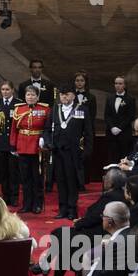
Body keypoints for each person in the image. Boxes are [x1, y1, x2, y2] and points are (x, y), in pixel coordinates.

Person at [43, 86, 92, 219]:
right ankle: (62, 208)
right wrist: (48, 143)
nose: (64, 97)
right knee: (60, 181)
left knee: (72, 181)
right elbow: (47, 130)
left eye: (67, 94)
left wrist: (87, 151)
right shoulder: (54, 110)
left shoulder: (82, 110)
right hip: (58, 152)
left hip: (73, 153)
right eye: (62, 95)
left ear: (73, 96)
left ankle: (72, 209)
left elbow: (88, 132)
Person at [8, 85, 50, 213]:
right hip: (22, 146)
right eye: (28, 95)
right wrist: (13, 145)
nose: (30, 97)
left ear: (37, 97)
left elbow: (47, 128)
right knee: (25, 178)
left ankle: (37, 204)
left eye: (33, 95)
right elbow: (14, 129)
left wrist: (44, 140)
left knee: (37, 177)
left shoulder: (45, 109)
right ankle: (26, 204)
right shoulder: (19, 109)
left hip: (37, 146)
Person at [0, 81, 18, 201]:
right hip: (0, 141)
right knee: (3, 171)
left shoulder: (18, 104)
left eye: (7, 89)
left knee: (13, 171)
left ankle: (14, 196)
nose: (5, 92)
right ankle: (5, 196)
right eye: (3, 89)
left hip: (13, 142)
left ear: (12, 90)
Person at [102, 76, 136, 165]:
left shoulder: (130, 99)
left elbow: (131, 116)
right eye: (116, 83)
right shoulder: (109, 98)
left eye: (120, 83)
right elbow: (107, 115)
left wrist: (120, 128)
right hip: (111, 133)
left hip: (124, 133)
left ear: (124, 85)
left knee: (124, 157)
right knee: (112, 157)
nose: (117, 85)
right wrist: (112, 127)